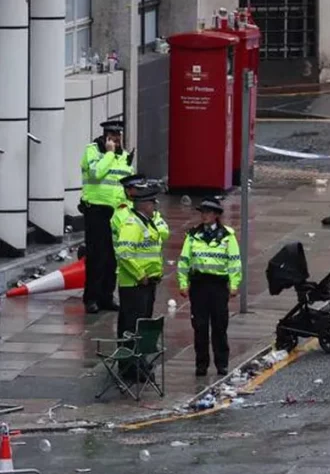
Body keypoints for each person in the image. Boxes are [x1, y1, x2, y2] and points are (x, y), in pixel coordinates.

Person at [177, 197, 242, 377]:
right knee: (200, 326)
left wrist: (234, 284)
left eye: (208, 213)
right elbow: (184, 261)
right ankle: (201, 364)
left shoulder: (227, 236)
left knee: (220, 326)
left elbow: (234, 261)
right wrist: (183, 283)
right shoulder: (193, 235)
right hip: (199, 285)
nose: (204, 216)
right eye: (203, 213)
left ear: (216, 215)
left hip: (218, 286)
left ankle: (222, 363)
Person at [80, 120, 134, 314]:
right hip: (96, 210)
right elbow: (95, 174)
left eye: (118, 135)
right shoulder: (93, 151)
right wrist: (110, 153)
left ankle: (107, 296)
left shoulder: (125, 156)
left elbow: (127, 187)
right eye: (112, 135)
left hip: (117, 213)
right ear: (105, 135)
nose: (116, 138)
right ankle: (91, 298)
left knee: (113, 258)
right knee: (96, 256)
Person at [114, 184, 168, 378]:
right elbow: (124, 252)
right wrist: (140, 274)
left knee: (142, 324)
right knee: (132, 326)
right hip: (135, 284)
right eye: (152, 202)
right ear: (143, 204)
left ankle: (139, 361)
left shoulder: (147, 222)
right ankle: (130, 367)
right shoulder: (132, 224)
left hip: (147, 283)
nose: (155, 205)